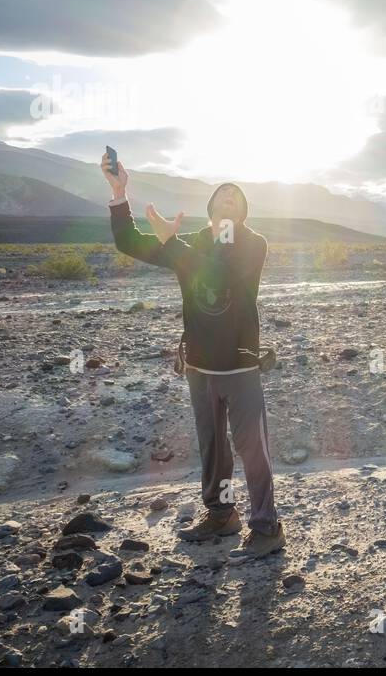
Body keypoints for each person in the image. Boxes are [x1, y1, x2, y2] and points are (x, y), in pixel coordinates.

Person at [101, 153, 285, 557]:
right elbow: (129, 242)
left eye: (236, 196)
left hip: (240, 363)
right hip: (200, 365)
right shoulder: (194, 243)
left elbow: (221, 274)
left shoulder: (254, 244)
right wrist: (119, 194)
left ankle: (267, 528)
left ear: (244, 210)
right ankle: (221, 515)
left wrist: (173, 242)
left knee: (252, 446)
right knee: (213, 446)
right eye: (222, 194)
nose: (228, 198)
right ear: (210, 206)